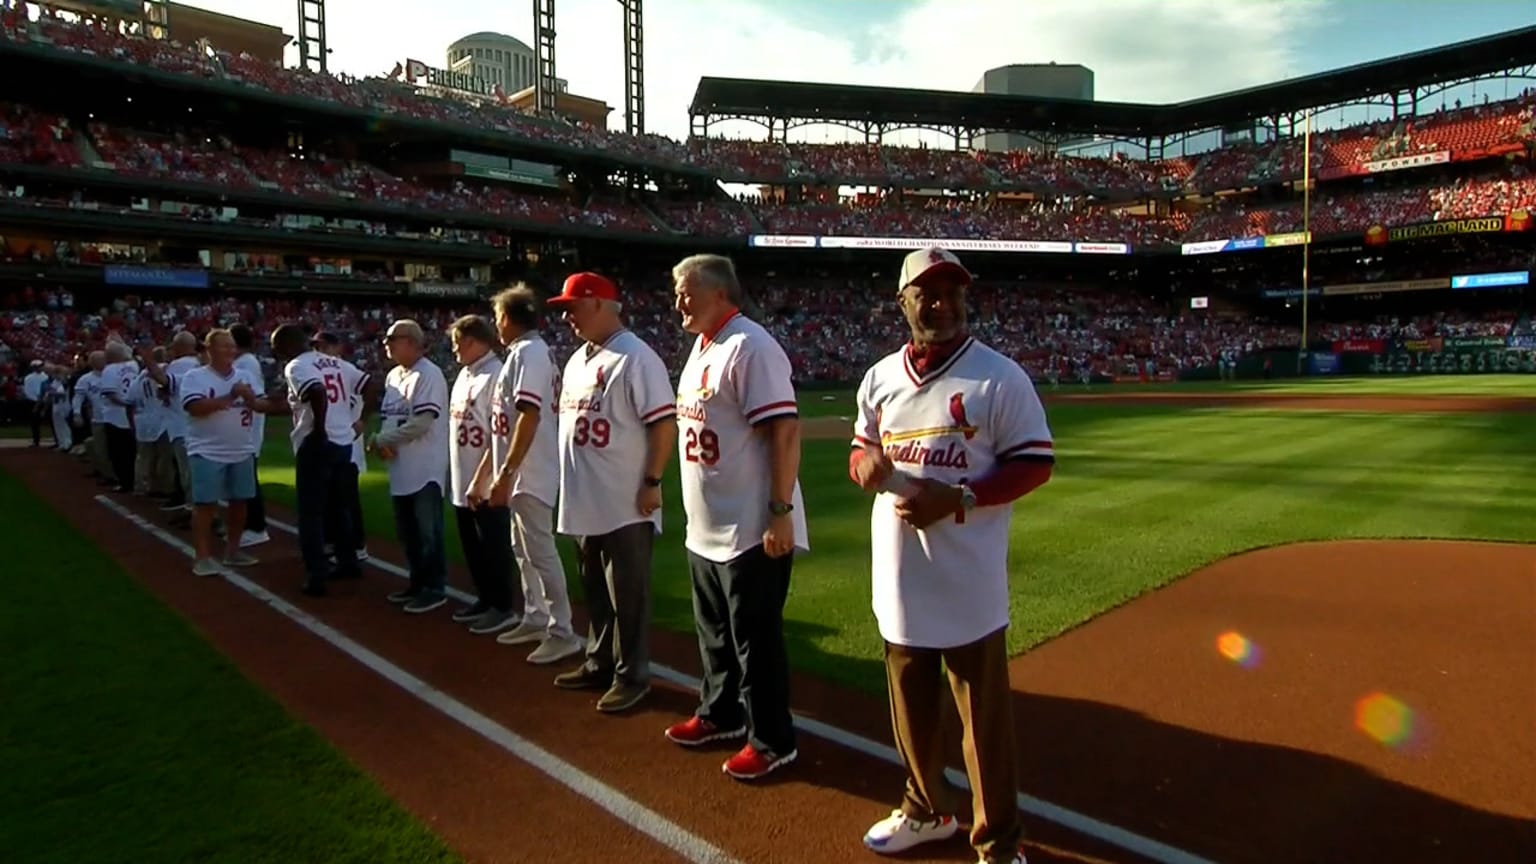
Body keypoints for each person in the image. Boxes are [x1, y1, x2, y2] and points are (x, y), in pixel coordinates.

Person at [850, 246, 1053, 864]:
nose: (942, 303)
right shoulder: (881, 377)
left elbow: (1035, 464)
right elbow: (861, 448)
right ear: (902, 302)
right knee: (911, 705)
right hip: (901, 574)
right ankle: (924, 809)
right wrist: (866, 467)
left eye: (953, 292)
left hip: (969, 578)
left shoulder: (1000, 377)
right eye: (928, 293)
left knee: (983, 723)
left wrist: (960, 498)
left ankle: (998, 842)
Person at [663, 254, 808, 781]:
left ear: (721, 293)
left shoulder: (751, 347)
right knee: (716, 636)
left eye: (686, 290)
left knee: (756, 641)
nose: (678, 300)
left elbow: (785, 433)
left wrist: (780, 512)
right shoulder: (703, 347)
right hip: (705, 526)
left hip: (750, 525)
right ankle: (720, 714)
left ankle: (772, 741)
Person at [547, 272, 676, 714]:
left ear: (600, 304)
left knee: (629, 597)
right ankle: (599, 661)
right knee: (596, 593)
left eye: (572, 307)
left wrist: (653, 482)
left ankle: (632, 676)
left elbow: (663, 424)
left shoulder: (636, 357)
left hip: (625, 501)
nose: (566, 317)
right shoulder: (578, 359)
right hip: (584, 498)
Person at [473, 284, 582, 665]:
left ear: (507, 318)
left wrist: (506, 472)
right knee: (523, 549)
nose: (496, 325)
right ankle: (537, 616)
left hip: (533, 468)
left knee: (540, 549)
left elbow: (529, 415)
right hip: (524, 467)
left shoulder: (530, 353)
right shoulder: (523, 353)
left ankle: (562, 630)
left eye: (498, 317)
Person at [271, 323, 364, 597]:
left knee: (311, 513)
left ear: (289, 345)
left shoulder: (297, 365)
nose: (277, 354)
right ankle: (348, 562)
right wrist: (359, 421)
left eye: (278, 347)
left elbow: (317, 392)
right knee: (340, 507)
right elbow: (369, 384)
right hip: (343, 442)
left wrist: (319, 430)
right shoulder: (335, 362)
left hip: (318, 443)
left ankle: (316, 573)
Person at [446, 313, 521, 635]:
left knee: (494, 545)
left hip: (484, 478)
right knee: (473, 547)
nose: (454, 351)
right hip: (462, 475)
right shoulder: (465, 374)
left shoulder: (494, 374)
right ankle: (485, 599)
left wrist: (483, 475)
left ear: (474, 341)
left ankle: (502, 606)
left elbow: (500, 433)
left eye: (457, 343)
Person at [368, 319, 451, 614]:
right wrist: (384, 442)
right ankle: (417, 583)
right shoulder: (393, 376)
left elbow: (422, 422)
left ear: (413, 343)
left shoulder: (428, 374)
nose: (387, 344)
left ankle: (434, 587)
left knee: (428, 531)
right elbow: (391, 416)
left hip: (425, 466)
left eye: (394, 338)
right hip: (400, 465)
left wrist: (382, 439)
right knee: (408, 532)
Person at [179, 329, 274, 576]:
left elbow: (262, 405)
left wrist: (254, 400)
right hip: (206, 449)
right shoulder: (195, 377)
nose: (230, 351)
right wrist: (230, 396)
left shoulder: (245, 375)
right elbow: (195, 407)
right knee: (206, 504)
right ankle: (202, 556)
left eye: (232, 346)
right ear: (209, 349)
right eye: (224, 346)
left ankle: (232, 551)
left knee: (239, 502)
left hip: (241, 449)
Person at [314, 331, 371, 564]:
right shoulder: (330, 371)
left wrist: (361, 423)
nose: (320, 350)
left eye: (324, 345)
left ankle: (356, 545)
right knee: (333, 499)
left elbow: (369, 392)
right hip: (337, 445)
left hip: (348, 445)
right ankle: (335, 542)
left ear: (337, 346)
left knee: (347, 500)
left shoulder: (346, 371)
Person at [229, 324, 271, 548]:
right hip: (245, 426)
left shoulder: (245, 363)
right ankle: (248, 524)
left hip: (248, 426)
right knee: (242, 478)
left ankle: (256, 526)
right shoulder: (246, 361)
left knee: (247, 479)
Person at [99, 341, 140, 494]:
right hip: (133, 413)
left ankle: (125, 482)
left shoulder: (109, 370)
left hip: (114, 414)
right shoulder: (134, 365)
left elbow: (110, 394)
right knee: (133, 451)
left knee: (118, 453)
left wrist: (124, 403)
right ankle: (134, 480)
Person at [22, 359, 48, 448]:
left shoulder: (45, 376)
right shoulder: (28, 378)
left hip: (44, 400)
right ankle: (36, 440)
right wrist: (36, 399)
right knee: (34, 422)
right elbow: (28, 391)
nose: (39, 368)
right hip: (32, 401)